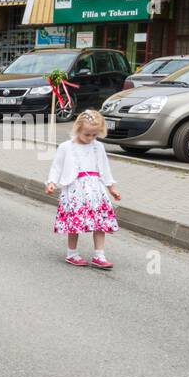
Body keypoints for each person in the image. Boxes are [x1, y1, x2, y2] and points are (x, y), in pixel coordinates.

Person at [46, 109, 120, 269]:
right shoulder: (66, 147)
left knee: (100, 222)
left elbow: (105, 168)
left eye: (94, 135)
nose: (91, 138)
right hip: (75, 190)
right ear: (78, 128)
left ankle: (99, 255)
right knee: (75, 222)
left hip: (95, 190)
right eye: (87, 134)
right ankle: (72, 253)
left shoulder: (98, 147)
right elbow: (57, 166)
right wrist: (52, 182)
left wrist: (111, 187)